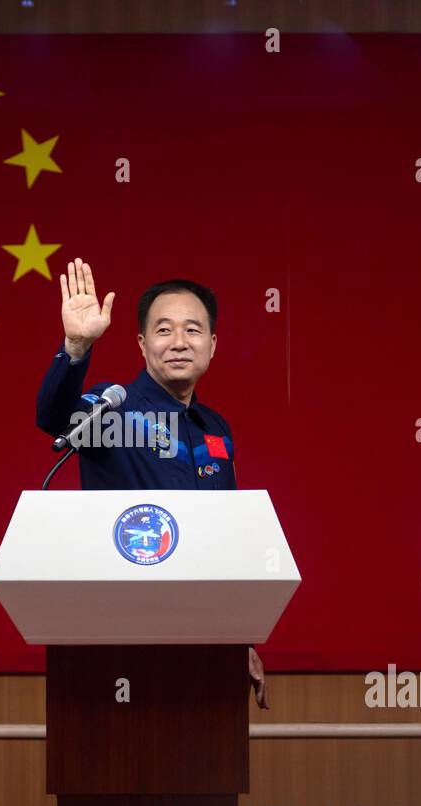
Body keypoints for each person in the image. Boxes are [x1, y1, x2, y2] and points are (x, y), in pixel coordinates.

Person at [36, 257, 268, 707]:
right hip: (114, 636)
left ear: (213, 345)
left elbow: (228, 544)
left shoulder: (216, 429)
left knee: (206, 776)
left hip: (205, 646)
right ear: (142, 344)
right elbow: (53, 416)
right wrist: (76, 346)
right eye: (164, 330)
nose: (179, 342)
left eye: (193, 330)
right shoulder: (111, 409)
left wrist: (239, 638)